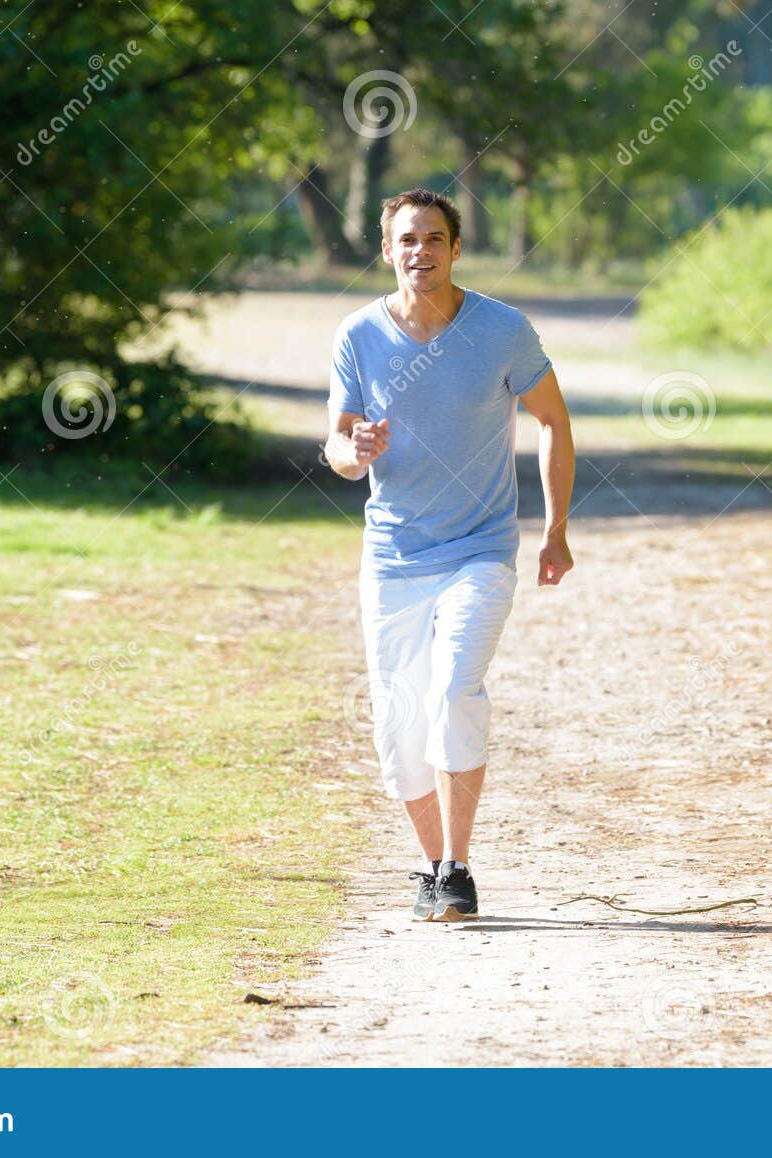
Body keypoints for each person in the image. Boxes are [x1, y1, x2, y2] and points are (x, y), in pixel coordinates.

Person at [324, 188, 575, 922]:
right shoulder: (359, 335)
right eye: (406, 240)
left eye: (434, 239)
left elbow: (553, 421)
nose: (420, 252)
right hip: (396, 556)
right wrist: (352, 450)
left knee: (456, 688)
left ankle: (459, 866)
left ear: (455, 249)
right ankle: (430, 864)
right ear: (387, 250)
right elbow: (337, 442)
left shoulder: (501, 330)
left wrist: (556, 528)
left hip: (481, 547)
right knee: (397, 727)